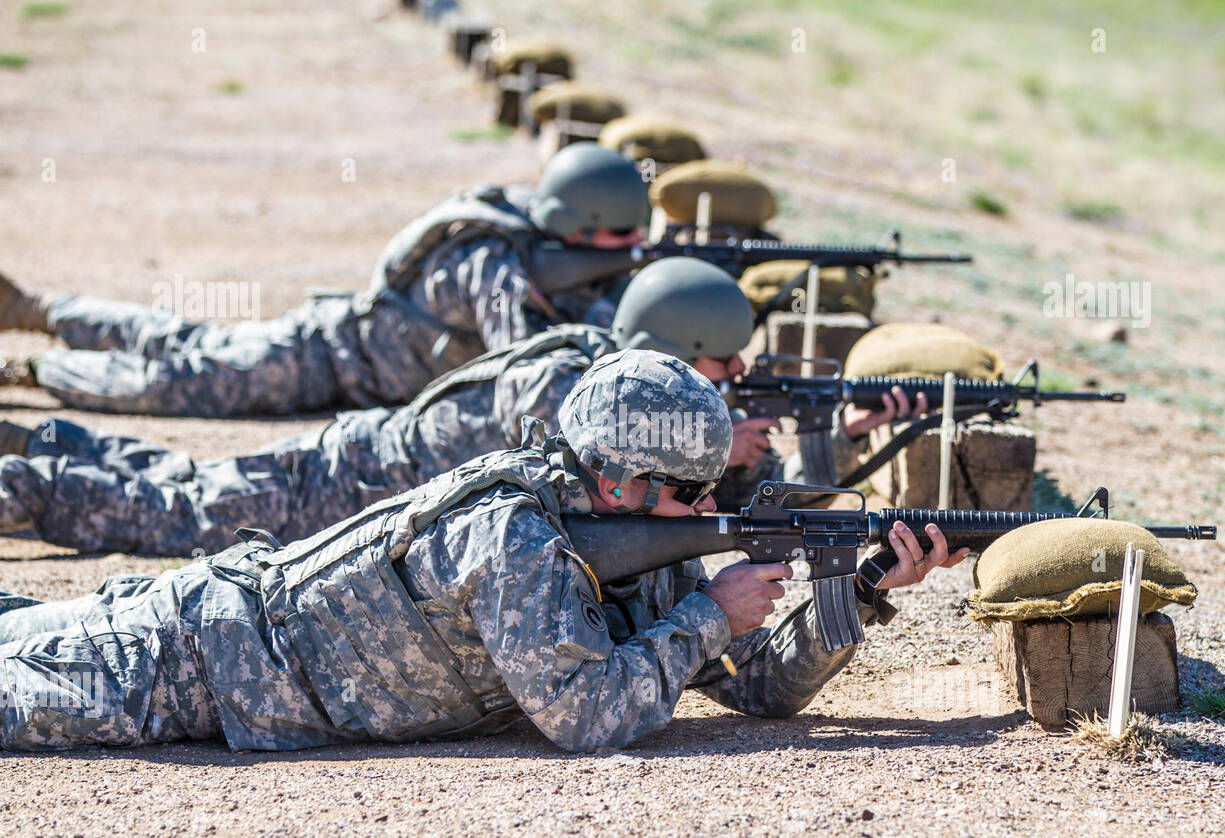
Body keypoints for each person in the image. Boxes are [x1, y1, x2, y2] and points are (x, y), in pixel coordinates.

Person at [0, 350, 967, 754]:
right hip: (187, 660)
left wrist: (867, 586)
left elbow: (754, 688)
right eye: (689, 492)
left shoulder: (627, 526)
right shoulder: (514, 534)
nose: (708, 506)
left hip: (220, 651)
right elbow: (585, 715)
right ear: (623, 481)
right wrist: (708, 613)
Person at [0, 260, 925, 555]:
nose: (733, 375)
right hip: (337, 489)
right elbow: (600, 510)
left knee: (176, 482)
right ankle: (23, 479)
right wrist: (744, 457)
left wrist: (827, 442)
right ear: (682, 352)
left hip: (358, 471)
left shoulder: (613, 375)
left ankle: (35, 441)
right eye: (724, 364)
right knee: (167, 511)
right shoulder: (578, 393)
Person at [0, 143, 647, 417]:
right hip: (323, 359)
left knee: (182, 343)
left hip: (342, 357)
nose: (634, 247)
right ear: (580, 223)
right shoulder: (491, 258)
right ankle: (30, 366)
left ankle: (43, 310)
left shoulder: (547, 252)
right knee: (179, 379)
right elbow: (521, 359)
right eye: (624, 237)